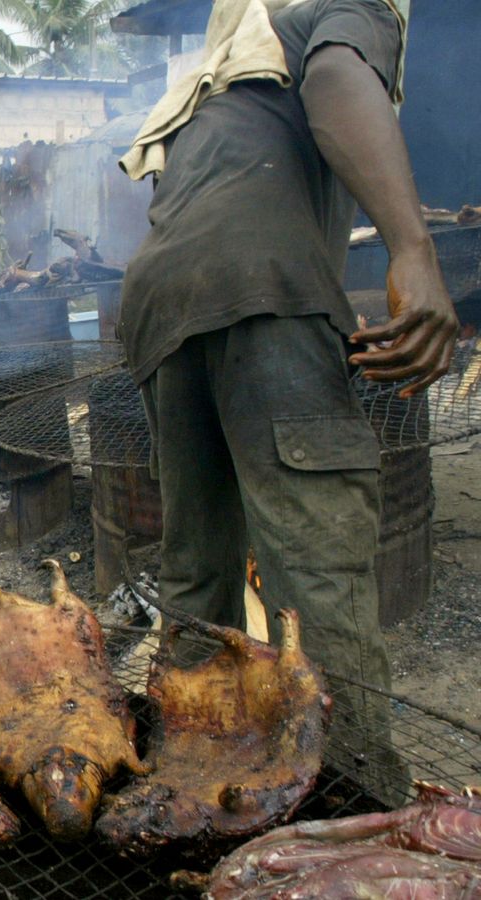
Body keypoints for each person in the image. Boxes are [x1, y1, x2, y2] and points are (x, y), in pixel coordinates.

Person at [116, 0, 452, 797]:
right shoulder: (346, 10)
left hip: (160, 304)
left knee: (196, 571)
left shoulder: (215, 85)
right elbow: (339, 78)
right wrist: (414, 248)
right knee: (316, 570)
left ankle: (190, 777)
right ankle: (352, 812)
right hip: (262, 287)